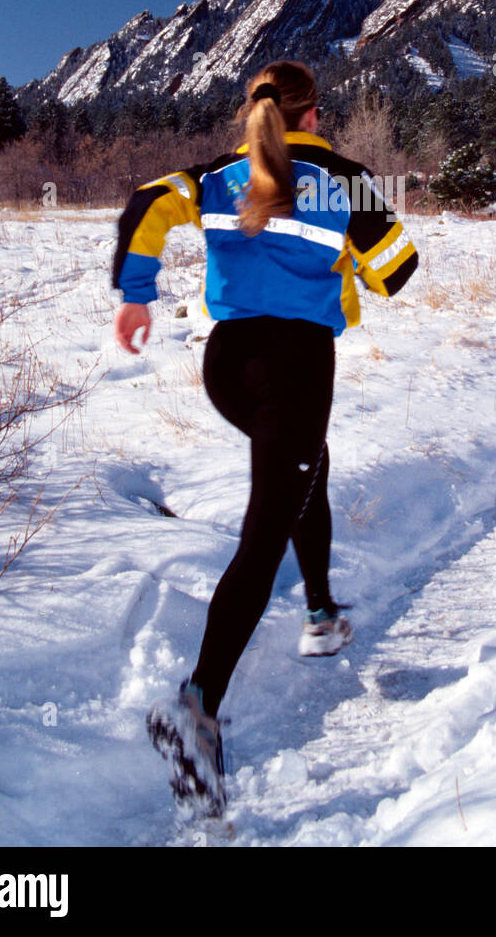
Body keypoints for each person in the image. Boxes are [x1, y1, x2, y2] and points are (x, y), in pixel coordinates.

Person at [111, 60, 418, 815]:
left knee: (305, 471)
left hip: (226, 364)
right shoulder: (346, 181)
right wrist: (344, 253)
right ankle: (197, 706)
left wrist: (135, 295)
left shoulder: (219, 175)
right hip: (297, 366)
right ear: (314, 115)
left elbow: (147, 202)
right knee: (265, 529)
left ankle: (320, 612)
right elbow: (396, 271)